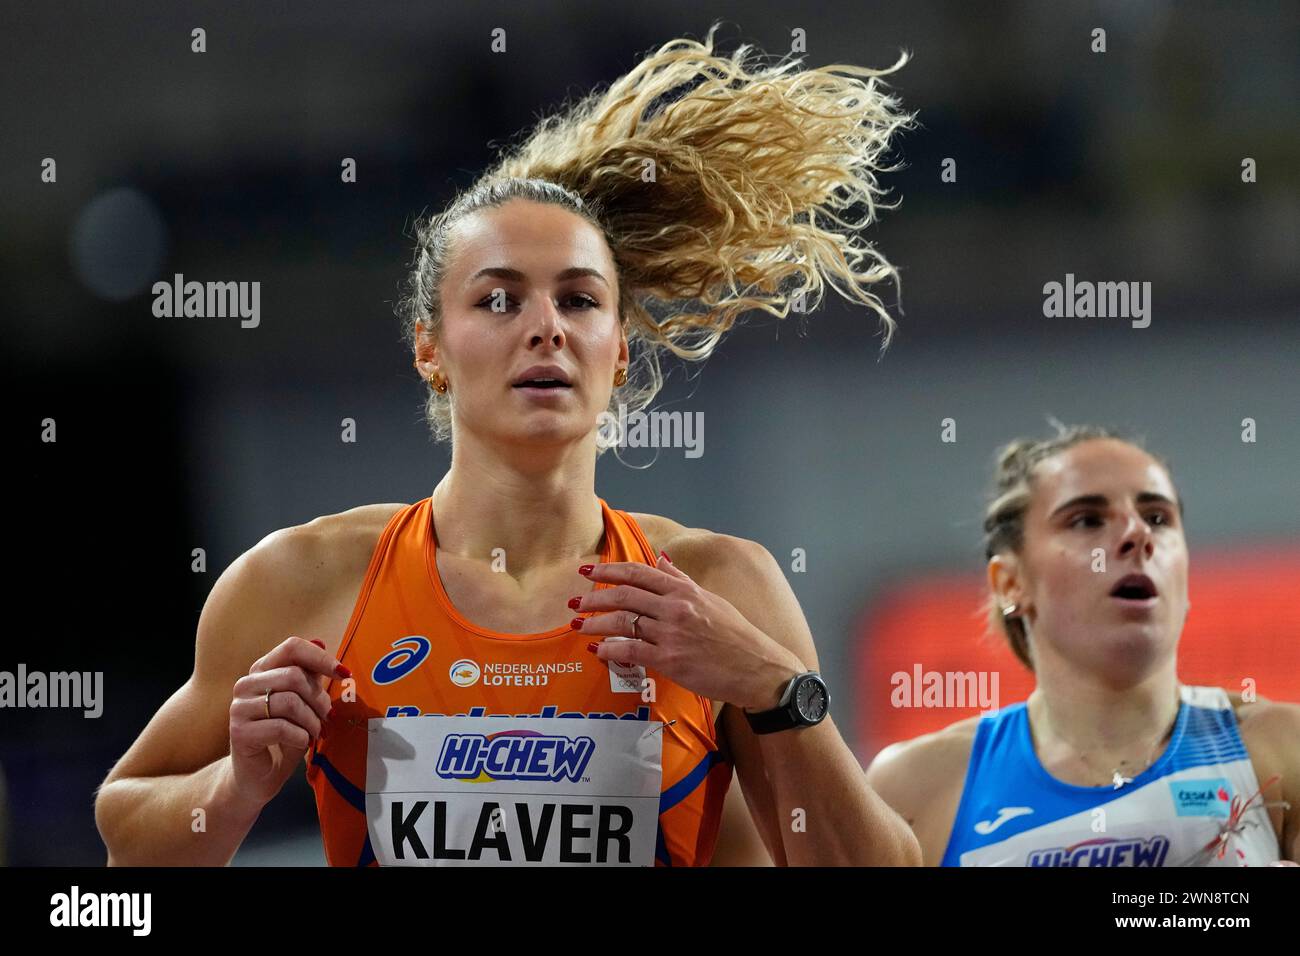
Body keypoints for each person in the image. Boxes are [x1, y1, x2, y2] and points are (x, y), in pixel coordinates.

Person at [94, 23, 921, 867]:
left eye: (580, 300)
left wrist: (776, 689)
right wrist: (234, 787)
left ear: (619, 349)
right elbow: (127, 839)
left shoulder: (718, 587)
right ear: (429, 349)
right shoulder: (304, 579)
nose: (546, 328)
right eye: (499, 300)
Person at [866, 425, 1300, 866]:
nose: (1138, 535)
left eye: (1157, 518)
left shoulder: (1283, 748)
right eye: (1087, 520)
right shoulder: (917, 788)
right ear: (1011, 583)